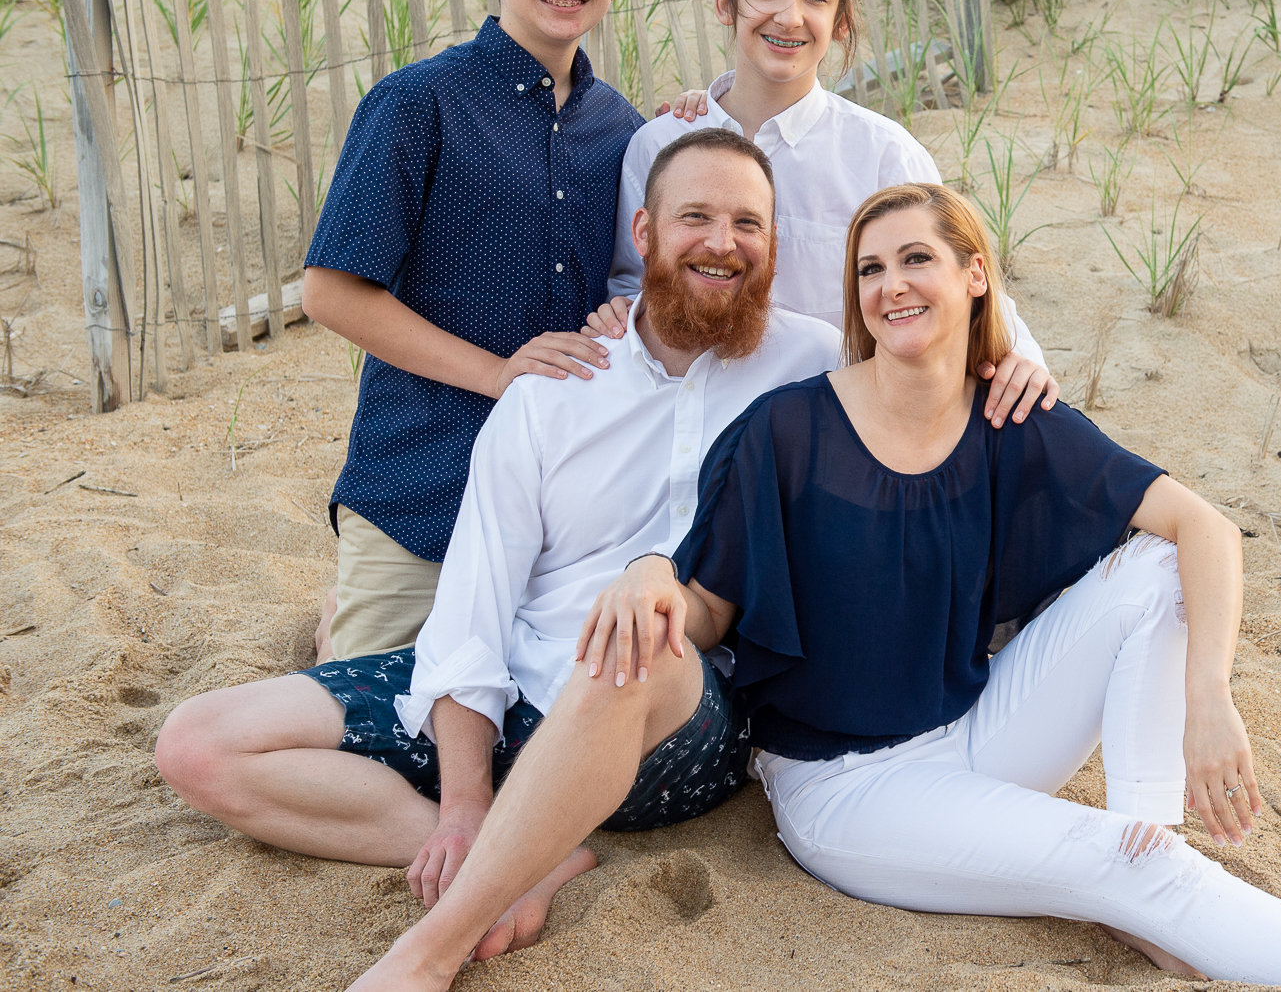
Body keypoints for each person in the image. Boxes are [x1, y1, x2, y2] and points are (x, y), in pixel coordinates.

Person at [344, 183, 1281, 992]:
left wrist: (1209, 694)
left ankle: (1146, 836)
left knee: (1156, 567)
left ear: (973, 274)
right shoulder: (789, 429)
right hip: (850, 791)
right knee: (1136, 872)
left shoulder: (1009, 413)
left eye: (917, 258)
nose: (889, 284)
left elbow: (1202, 526)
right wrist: (652, 572)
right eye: (869, 267)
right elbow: (704, 603)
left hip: (980, 729)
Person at [157, 130, 840, 966]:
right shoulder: (555, 389)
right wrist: (463, 800)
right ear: (645, 233)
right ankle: (524, 857)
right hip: (516, 688)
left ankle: (427, 951)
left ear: (774, 245)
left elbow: (938, 353)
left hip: (671, 723)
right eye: (696, 216)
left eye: (749, 223)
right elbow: (477, 598)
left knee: (636, 643)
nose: (723, 242)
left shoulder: (816, 364)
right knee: (197, 743)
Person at [302, 0, 646, 664]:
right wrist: (498, 373)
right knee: (364, 726)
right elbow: (331, 291)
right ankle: (341, 615)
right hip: (426, 482)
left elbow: (636, 278)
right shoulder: (418, 102)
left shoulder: (621, 128)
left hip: (560, 496)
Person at [591, 0, 1056, 430]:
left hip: (841, 428)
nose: (789, 16)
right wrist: (620, 310)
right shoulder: (659, 144)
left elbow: (947, 274)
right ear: (726, 1)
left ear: (841, 20)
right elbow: (634, 283)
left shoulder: (883, 153)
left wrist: (1021, 357)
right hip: (685, 424)